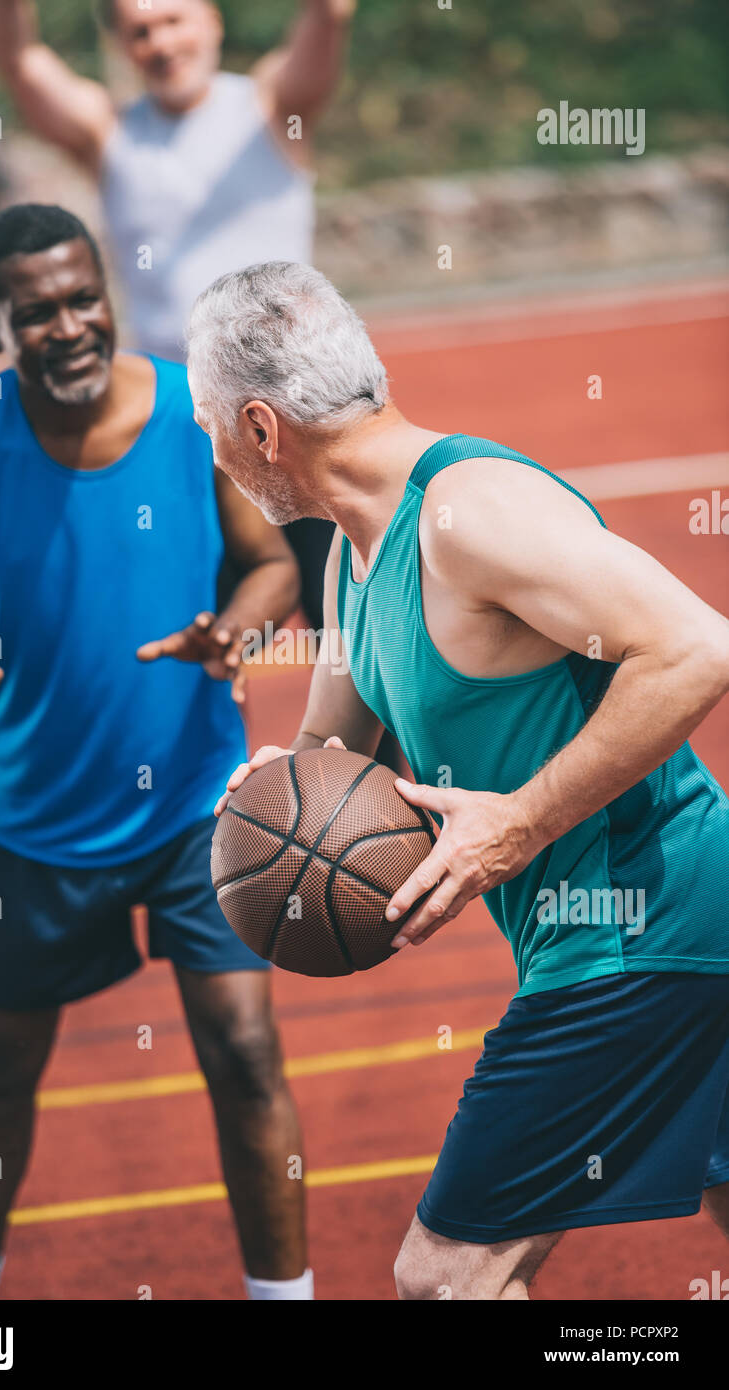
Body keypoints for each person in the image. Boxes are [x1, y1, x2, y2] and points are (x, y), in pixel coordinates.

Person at [192, 260, 729, 1300]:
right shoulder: (361, 550)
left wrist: (516, 823)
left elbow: (698, 649)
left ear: (260, 428)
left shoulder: (467, 513)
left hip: (637, 933)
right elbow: (329, 762)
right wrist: (274, 789)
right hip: (670, 923)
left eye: (210, 426)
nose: (211, 454)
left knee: (444, 1277)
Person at [0, 207, 314, 1302]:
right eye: (36, 312)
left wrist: (234, 627)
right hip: (35, 826)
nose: (69, 326)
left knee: (248, 1055)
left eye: (83, 299)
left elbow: (272, 564)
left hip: (197, 807)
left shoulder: (191, 415)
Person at [0, 0, 360, 670]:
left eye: (174, 21)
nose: (160, 42)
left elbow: (325, 23)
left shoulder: (271, 104)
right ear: (124, 46)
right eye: (140, 30)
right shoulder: (109, 131)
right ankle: (200, 775)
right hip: (184, 426)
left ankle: (383, 776)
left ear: (212, 21)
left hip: (297, 415)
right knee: (187, 634)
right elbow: (19, 62)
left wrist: (329, 14)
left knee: (350, 631)